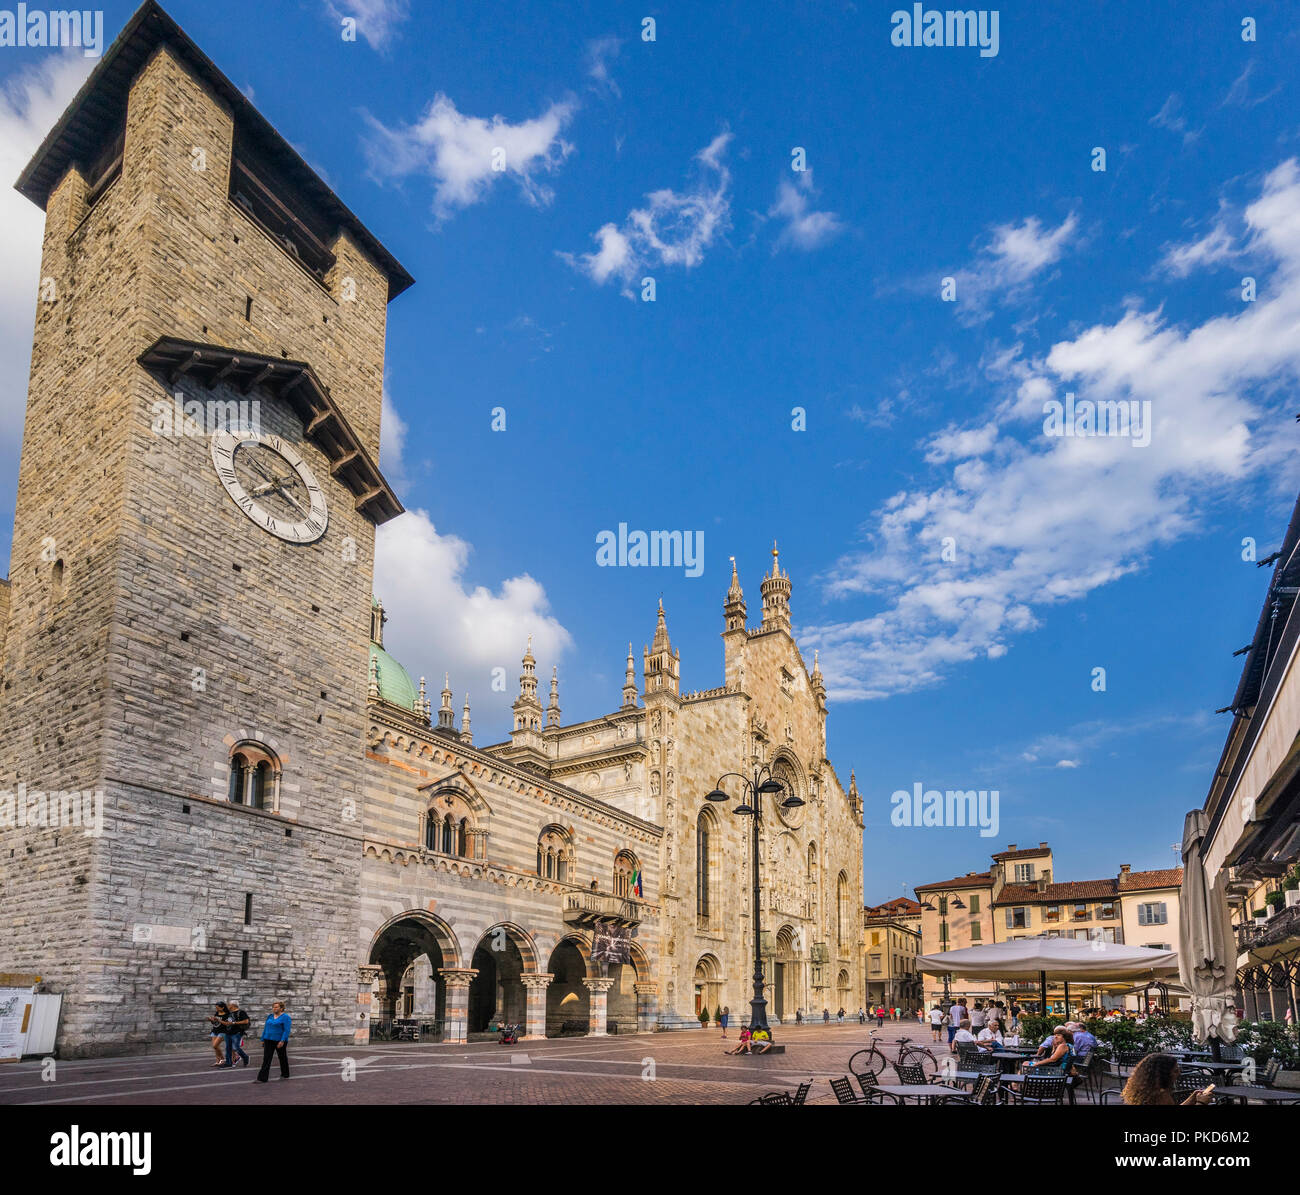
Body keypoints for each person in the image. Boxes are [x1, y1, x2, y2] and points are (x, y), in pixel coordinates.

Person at [1121, 1054, 1214, 1106]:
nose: (1178, 1074)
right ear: (1163, 1074)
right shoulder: (1160, 1095)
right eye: (1175, 1071)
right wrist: (1201, 1103)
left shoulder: (1149, 1092)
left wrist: (1191, 1099)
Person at [256, 1000, 291, 1082]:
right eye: (273, 1007)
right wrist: (262, 1039)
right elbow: (266, 1028)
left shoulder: (286, 1017)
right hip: (268, 1040)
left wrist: (282, 1041)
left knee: (282, 1058)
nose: (274, 1008)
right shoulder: (270, 1016)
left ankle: (285, 1074)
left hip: (279, 1041)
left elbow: (286, 1030)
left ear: (281, 1008)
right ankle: (262, 1078)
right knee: (266, 1058)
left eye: (276, 1007)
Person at [223, 1000, 251, 1068]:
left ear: (233, 1005)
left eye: (229, 1005)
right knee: (228, 1048)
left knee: (236, 1048)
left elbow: (246, 1021)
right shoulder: (229, 1013)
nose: (228, 1006)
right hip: (228, 1033)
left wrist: (233, 1023)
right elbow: (227, 1022)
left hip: (236, 1033)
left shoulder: (241, 1012)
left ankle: (245, 1057)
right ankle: (228, 1063)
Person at [206, 1002, 230, 1067]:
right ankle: (218, 1061)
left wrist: (219, 1020)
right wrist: (211, 1020)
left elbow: (227, 1024)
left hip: (223, 1031)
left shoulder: (227, 1014)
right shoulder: (217, 1013)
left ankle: (222, 1059)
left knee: (215, 1045)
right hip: (215, 1031)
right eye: (216, 1007)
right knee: (216, 1047)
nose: (216, 1009)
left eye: (217, 1007)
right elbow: (215, 1023)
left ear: (222, 1007)